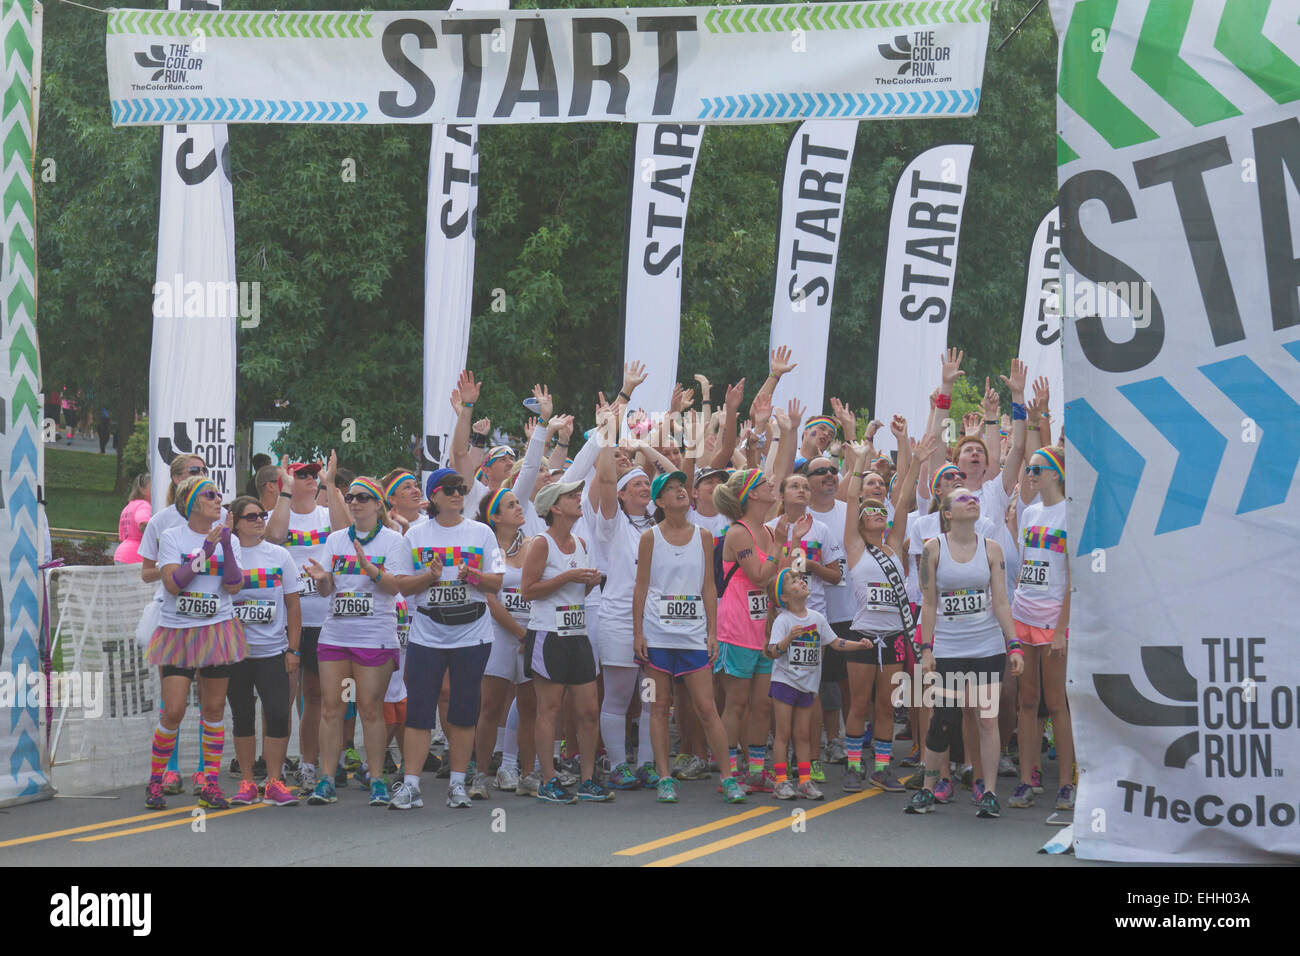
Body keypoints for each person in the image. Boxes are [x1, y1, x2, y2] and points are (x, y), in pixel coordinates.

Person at [905, 486, 1024, 819]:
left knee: (987, 719)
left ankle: (988, 792)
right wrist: (927, 648)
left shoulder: (992, 549)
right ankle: (928, 790)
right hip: (948, 645)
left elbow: (1001, 601)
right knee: (943, 719)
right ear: (947, 513)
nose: (971, 500)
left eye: (974, 497)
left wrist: (1013, 643)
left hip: (986, 645)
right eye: (961, 498)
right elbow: (928, 604)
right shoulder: (933, 549)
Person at [390, 468, 502, 810]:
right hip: (428, 633)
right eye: (449, 489)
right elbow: (400, 584)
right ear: (433, 496)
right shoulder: (416, 536)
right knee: (420, 711)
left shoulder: (481, 533)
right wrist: (429, 575)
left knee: (464, 712)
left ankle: (457, 784)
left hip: (472, 633)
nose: (457, 494)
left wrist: (476, 576)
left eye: (461, 488)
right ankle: (411, 785)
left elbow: (497, 582)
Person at [632, 471, 747, 804]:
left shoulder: (704, 535)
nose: (679, 491)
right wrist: (638, 632)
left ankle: (727, 777)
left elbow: (709, 587)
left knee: (707, 707)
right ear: (660, 502)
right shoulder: (650, 537)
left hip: (694, 635)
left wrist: (713, 632)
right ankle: (665, 778)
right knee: (658, 707)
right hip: (657, 634)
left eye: (681, 486)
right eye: (670, 489)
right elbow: (640, 586)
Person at [300, 477, 413, 808]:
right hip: (336, 633)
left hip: (375, 635)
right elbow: (326, 589)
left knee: (370, 709)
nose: (355, 502)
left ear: (378, 504)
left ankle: (377, 779)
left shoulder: (394, 541)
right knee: (331, 708)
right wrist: (322, 581)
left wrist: (371, 570)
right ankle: (326, 779)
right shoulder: (336, 540)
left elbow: (395, 588)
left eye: (363, 497)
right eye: (350, 497)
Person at [840, 426, 935, 792]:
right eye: (872, 510)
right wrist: (860, 462)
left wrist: (917, 463)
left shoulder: (894, 544)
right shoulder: (855, 547)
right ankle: (852, 766)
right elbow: (851, 499)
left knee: (886, 705)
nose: (880, 512)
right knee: (859, 703)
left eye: (883, 510)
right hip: (863, 636)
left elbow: (904, 498)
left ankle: (881, 767)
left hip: (894, 637)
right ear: (862, 519)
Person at [144, 476, 246, 810]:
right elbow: (174, 584)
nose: (219, 500)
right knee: (173, 709)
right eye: (210, 495)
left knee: (214, 708)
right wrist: (206, 549)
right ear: (190, 502)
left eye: (219, 495)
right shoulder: (172, 536)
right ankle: (156, 781)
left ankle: (210, 783)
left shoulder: (229, 538)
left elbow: (233, 585)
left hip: (217, 628)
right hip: (178, 631)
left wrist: (227, 545)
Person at [265, 455, 349, 796]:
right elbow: (274, 538)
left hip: (323, 618)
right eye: (303, 475)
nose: (311, 478)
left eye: (314, 474)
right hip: (288, 621)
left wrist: (330, 482)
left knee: (316, 696)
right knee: (283, 697)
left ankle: (309, 763)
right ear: (287, 480)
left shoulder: (327, 515)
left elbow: (345, 533)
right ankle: (277, 762)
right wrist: (285, 494)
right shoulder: (277, 513)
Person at [521, 479, 609, 804]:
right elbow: (527, 591)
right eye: (571, 496)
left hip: (577, 633)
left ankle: (587, 779)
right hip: (548, 633)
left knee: (588, 710)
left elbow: (578, 591)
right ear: (555, 508)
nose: (577, 499)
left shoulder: (581, 543)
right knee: (551, 709)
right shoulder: (542, 544)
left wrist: (588, 582)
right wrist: (569, 577)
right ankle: (547, 779)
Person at [137, 453, 218, 795]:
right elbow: (147, 573)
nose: (203, 476)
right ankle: (167, 772)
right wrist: (176, 567)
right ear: (177, 480)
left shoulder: (217, 515)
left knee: (210, 700)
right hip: (171, 614)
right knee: (175, 701)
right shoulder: (162, 522)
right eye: (194, 471)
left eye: (205, 470)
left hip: (212, 619)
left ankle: (204, 771)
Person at [713, 467, 792, 792]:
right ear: (751, 495)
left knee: (763, 704)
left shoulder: (771, 533)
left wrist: (790, 545)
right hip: (736, 628)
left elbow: (779, 578)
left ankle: (756, 771)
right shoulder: (739, 533)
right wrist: (781, 547)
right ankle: (729, 774)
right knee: (737, 704)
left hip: (764, 629)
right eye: (765, 484)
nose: (772, 486)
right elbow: (759, 575)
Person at [765, 569, 871, 800]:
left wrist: (859, 645)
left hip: (807, 685)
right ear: (784, 597)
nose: (801, 582)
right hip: (785, 682)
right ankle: (781, 781)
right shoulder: (783, 620)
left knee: (803, 734)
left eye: (801, 579)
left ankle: (804, 781)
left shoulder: (817, 618)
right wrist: (788, 639)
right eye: (793, 582)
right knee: (783, 733)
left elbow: (836, 643)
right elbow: (773, 651)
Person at [1008, 448, 1075, 812]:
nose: (1030, 474)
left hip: (1053, 619)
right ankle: (1026, 779)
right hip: (1023, 613)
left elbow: (1071, 580)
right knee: (1027, 701)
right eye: (1028, 468)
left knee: (1056, 702)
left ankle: (1065, 783)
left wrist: (1063, 628)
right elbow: (1025, 568)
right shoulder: (1029, 512)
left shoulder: (1070, 513)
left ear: (1056, 474)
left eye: (1037, 469)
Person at [226, 495, 302, 807]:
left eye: (261, 515)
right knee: (242, 716)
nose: (259, 521)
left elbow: (293, 606)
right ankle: (246, 781)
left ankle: (273, 781)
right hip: (236, 652)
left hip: (273, 650)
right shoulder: (226, 553)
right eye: (252, 517)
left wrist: (293, 649)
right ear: (235, 522)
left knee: (278, 714)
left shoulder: (279, 556)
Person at [471, 485, 540, 796]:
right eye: (511, 505)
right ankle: (481, 775)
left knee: (530, 707)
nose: (519, 508)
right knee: (491, 706)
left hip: (531, 633)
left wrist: (532, 633)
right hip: (501, 634)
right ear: (495, 517)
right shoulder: (488, 549)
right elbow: (491, 600)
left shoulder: (535, 545)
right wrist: (520, 633)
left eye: (518, 503)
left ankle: (527, 774)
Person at [114, 475, 152, 564]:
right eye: (153, 487)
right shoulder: (144, 505)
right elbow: (142, 521)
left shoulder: (127, 507)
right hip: (136, 557)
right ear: (142, 490)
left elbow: (122, 536)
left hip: (120, 554)